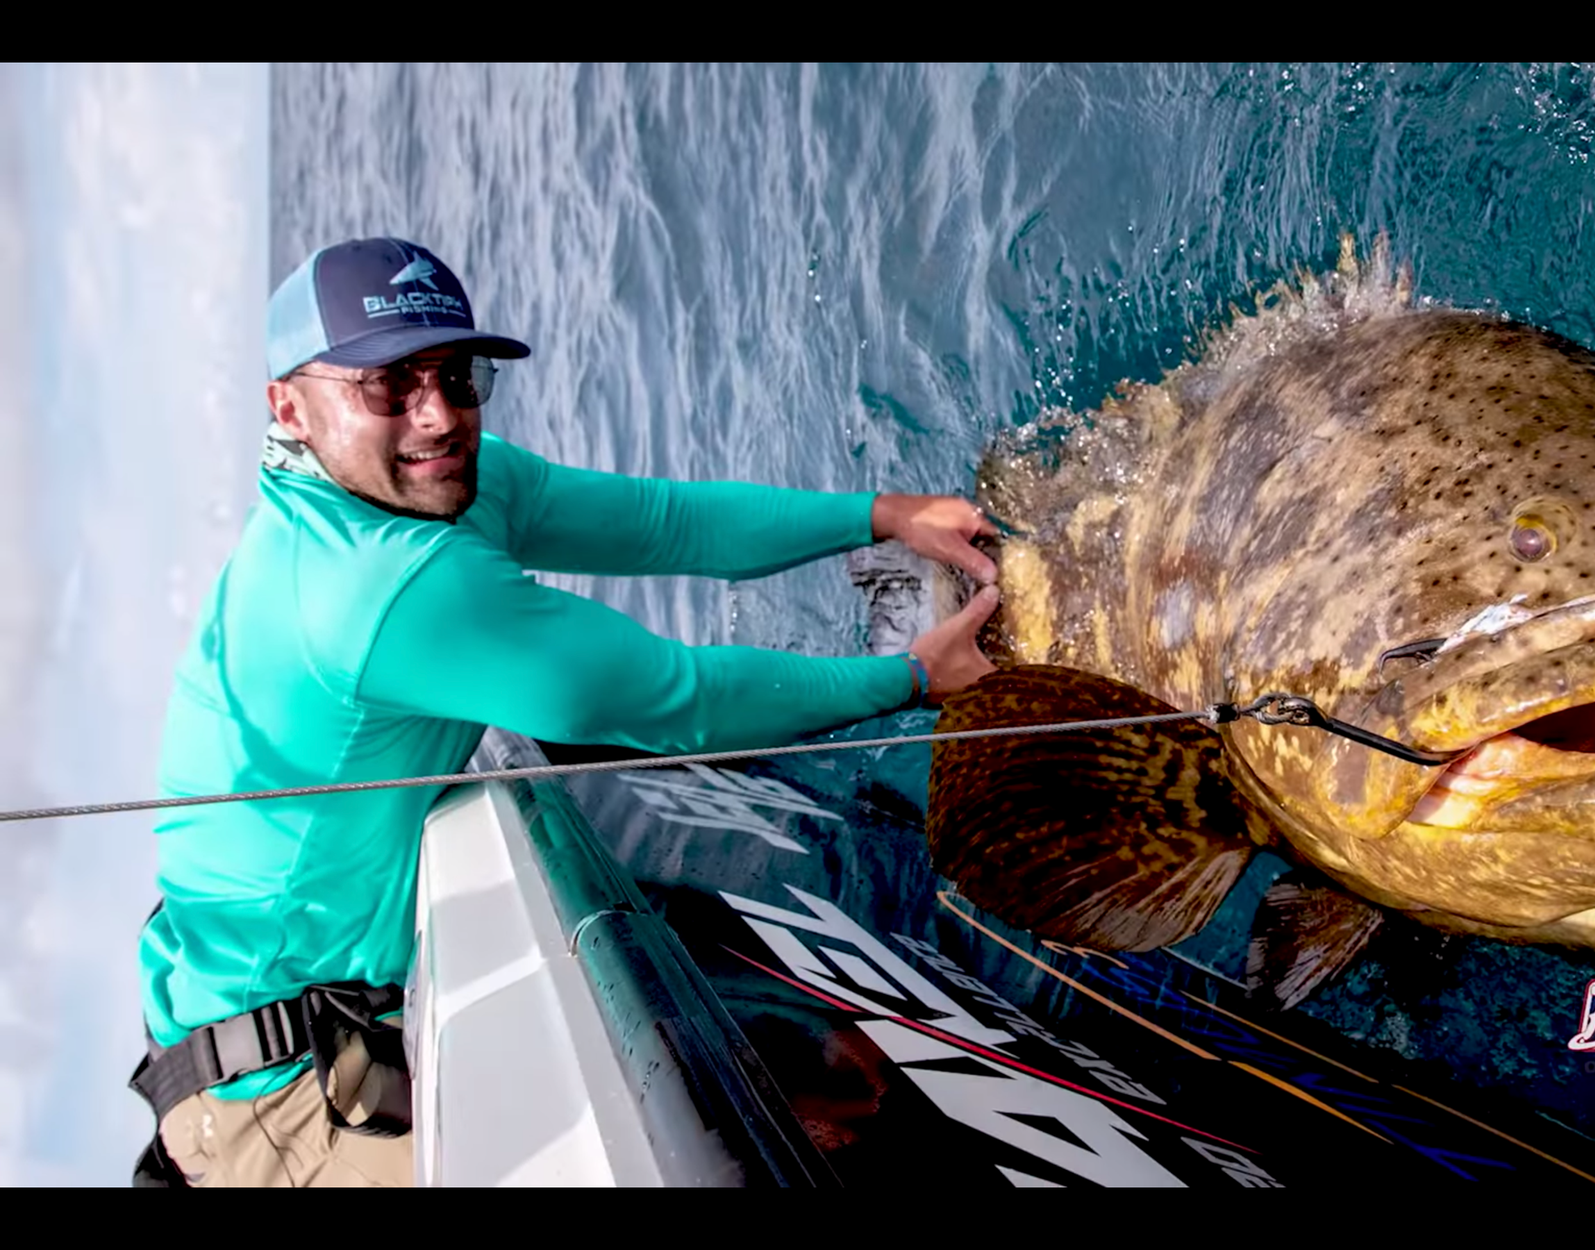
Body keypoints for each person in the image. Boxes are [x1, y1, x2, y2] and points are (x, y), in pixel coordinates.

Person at [127, 237, 1003, 1187]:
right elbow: (680, 700)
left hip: (304, 1009)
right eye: (389, 386)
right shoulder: (381, 587)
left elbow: (665, 523)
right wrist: (913, 679)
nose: (438, 414)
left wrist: (882, 514)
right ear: (290, 407)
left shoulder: (432, 485)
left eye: (456, 375)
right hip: (278, 1104)